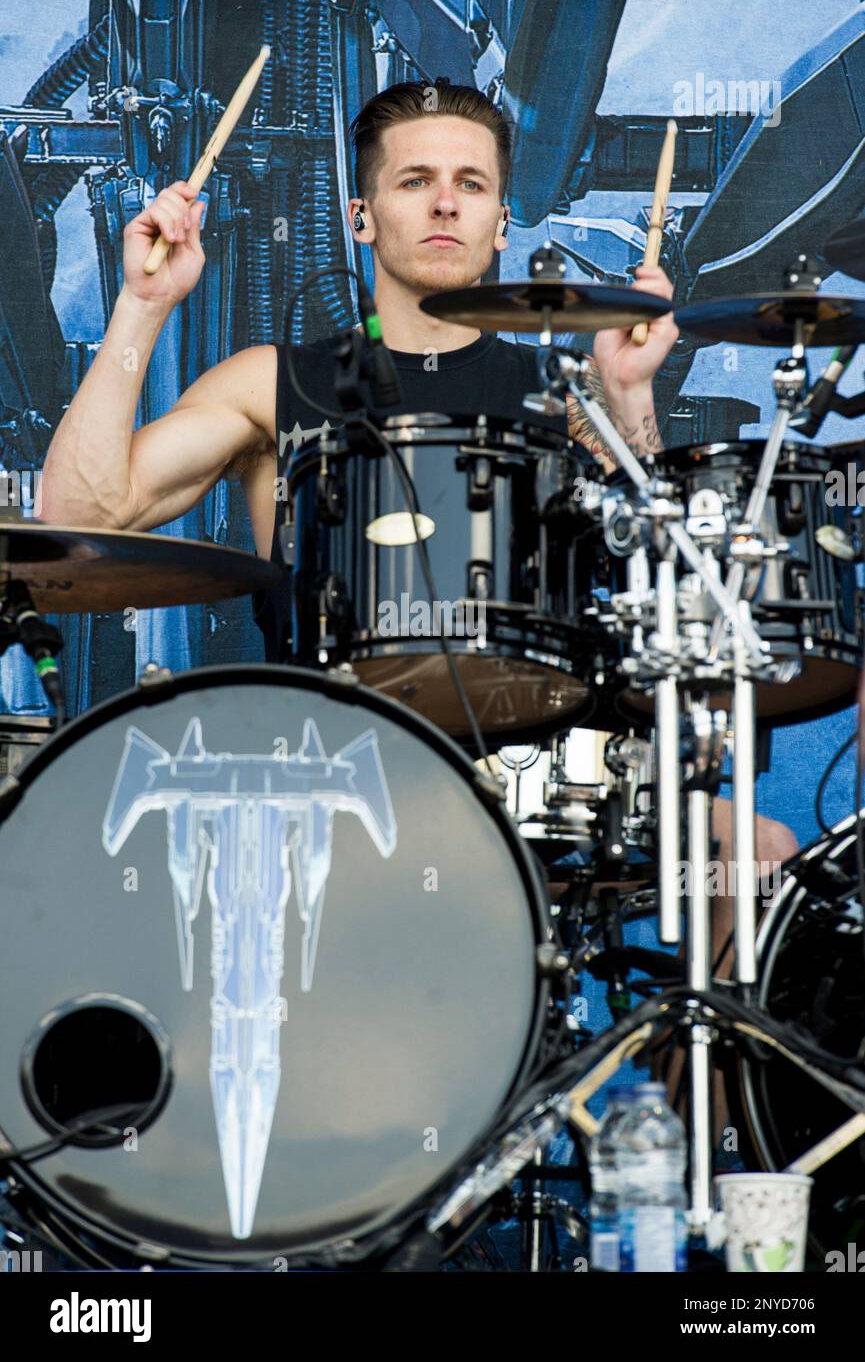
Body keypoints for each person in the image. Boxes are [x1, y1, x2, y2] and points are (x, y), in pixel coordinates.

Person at [40, 81, 797, 1124]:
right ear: (363, 216)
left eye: (469, 184)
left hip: (538, 776)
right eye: (414, 181)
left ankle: (688, 1184)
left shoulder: (566, 389)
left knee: (750, 850)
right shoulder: (278, 382)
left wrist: (630, 406)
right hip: (335, 769)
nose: (444, 204)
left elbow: (669, 611)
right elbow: (81, 509)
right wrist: (143, 305)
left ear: (496, 221)